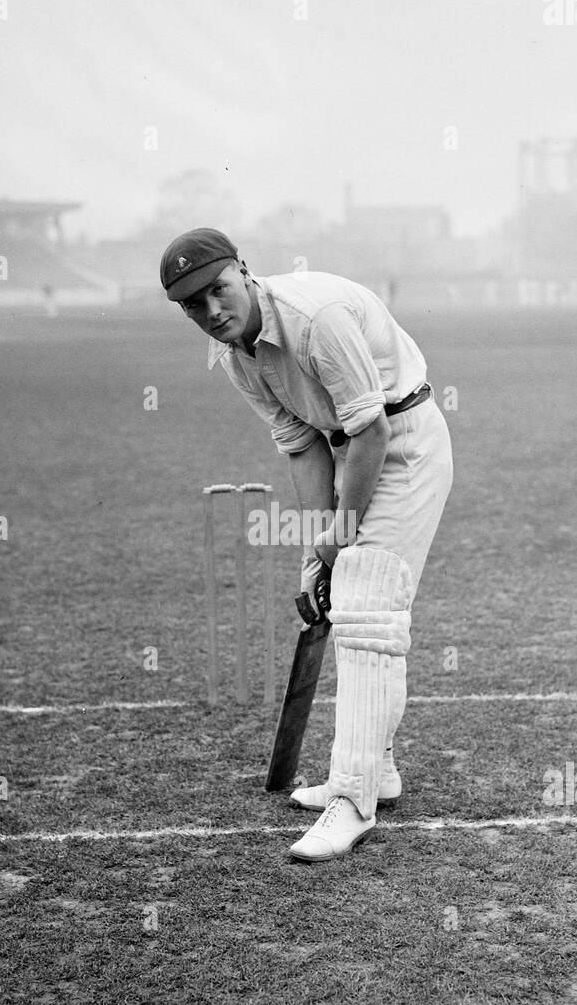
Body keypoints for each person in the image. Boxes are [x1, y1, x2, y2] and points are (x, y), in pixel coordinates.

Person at [160, 228, 453, 863]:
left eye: (219, 290)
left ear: (244, 270)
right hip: (351, 447)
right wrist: (315, 552)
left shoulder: (315, 322)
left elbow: (371, 430)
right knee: (342, 591)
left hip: (403, 443)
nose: (212, 312)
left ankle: (352, 800)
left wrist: (342, 534)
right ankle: (377, 768)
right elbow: (302, 444)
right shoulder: (237, 357)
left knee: (368, 610)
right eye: (193, 305)